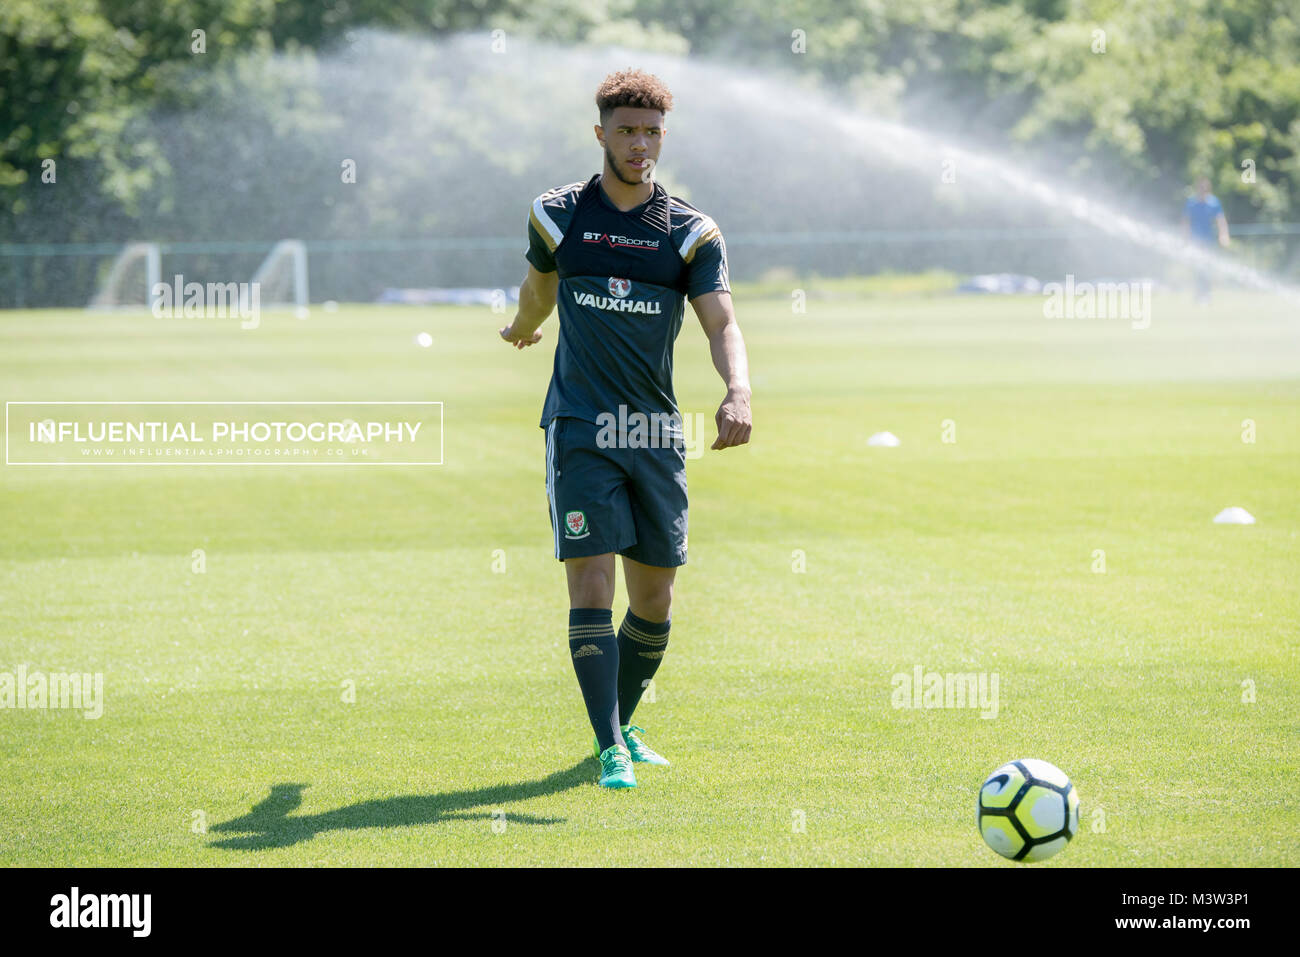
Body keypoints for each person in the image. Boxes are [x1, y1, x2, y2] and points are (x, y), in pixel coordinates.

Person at [499, 69, 753, 789]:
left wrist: (738, 388)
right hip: (579, 424)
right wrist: (523, 328)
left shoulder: (690, 232)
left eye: (652, 132)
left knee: (654, 601)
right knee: (592, 587)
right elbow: (538, 288)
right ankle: (609, 746)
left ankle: (621, 722)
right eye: (627, 131)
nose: (640, 145)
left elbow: (722, 321)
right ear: (600, 134)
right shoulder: (557, 214)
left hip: (653, 437)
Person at [1182, 177, 1230, 302]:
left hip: (1208, 241)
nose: (1203, 190)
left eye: (1205, 188)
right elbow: (1186, 221)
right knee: (1197, 267)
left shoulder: (1214, 202)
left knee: (1207, 267)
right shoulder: (1191, 203)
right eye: (1201, 188)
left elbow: (1220, 220)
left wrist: (1223, 235)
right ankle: (1199, 293)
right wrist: (1185, 239)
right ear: (1197, 188)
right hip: (1195, 242)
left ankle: (1206, 293)